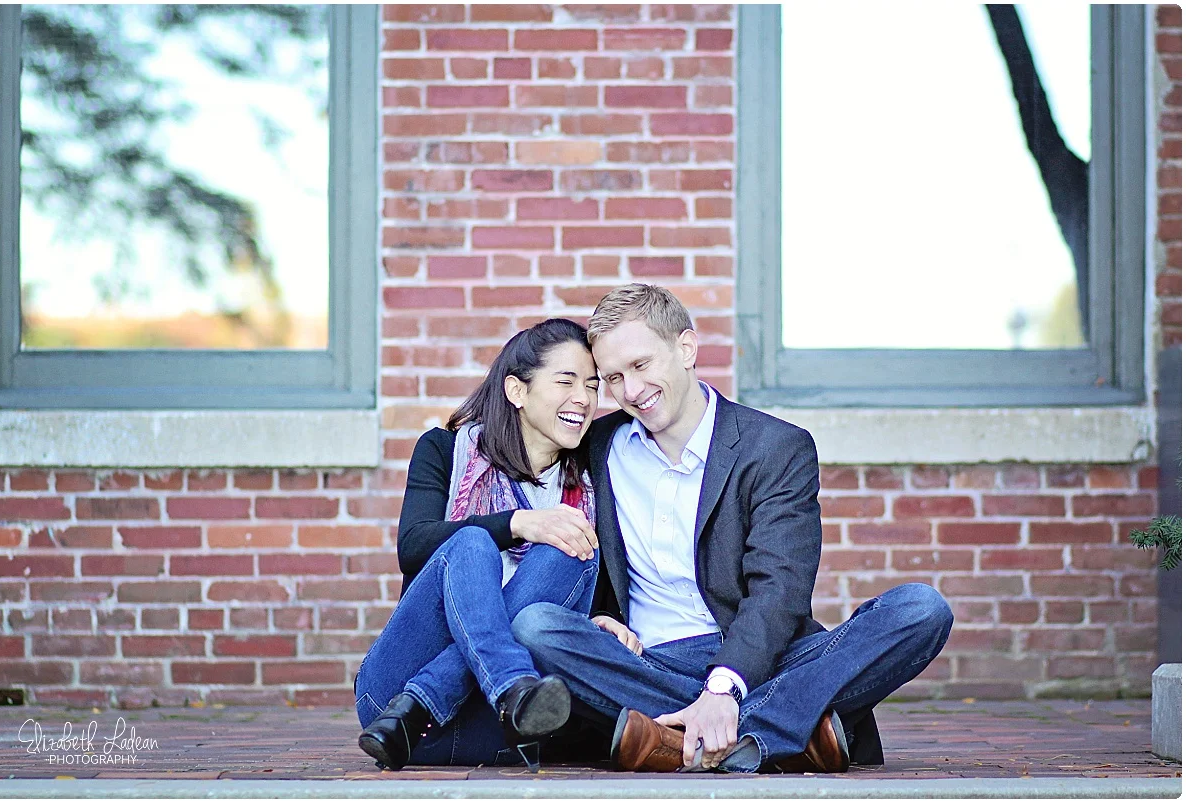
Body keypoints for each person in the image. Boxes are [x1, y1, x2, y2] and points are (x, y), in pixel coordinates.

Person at [511, 284, 953, 773]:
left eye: (641, 366)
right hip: (649, 662)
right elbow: (512, 445)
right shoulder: (598, 444)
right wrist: (598, 616)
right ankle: (777, 735)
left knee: (919, 610)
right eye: (613, 378)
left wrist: (725, 687)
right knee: (536, 627)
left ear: (686, 348)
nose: (630, 391)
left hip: (763, 657)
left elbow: (779, 590)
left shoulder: (775, 447)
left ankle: (680, 738)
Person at [354, 318, 602, 771]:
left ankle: (439, 700)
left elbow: (589, 590)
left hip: (480, 728)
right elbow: (413, 545)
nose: (583, 399)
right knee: (470, 543)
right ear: (517, 391)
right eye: (566, 382)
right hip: (388, 700)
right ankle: (511, 686)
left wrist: (607, 618)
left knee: (572, 540)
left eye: (592, 385)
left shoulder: (588, 483)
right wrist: (519, 523)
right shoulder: (444, 451)